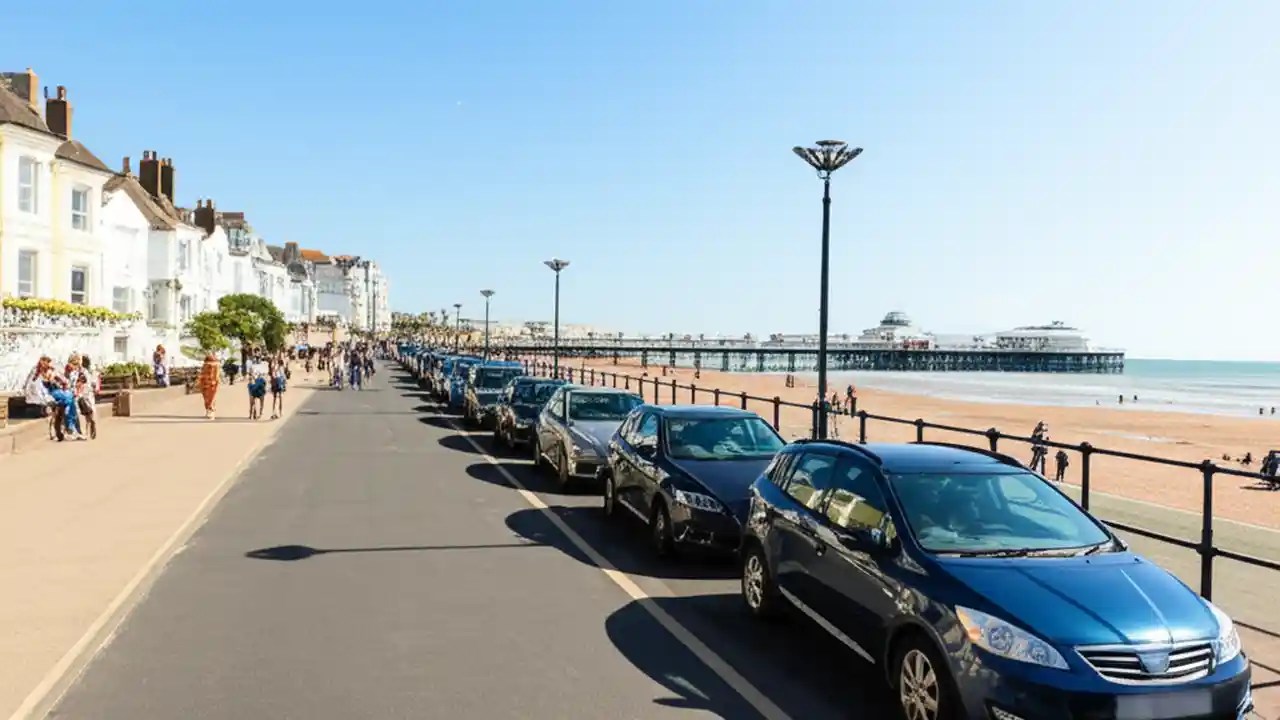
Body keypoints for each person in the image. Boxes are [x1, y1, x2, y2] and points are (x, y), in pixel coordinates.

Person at [198, 353, 221, 420]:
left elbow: (216, 376)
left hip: (212, 383)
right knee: (207, 398)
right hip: (206, 382)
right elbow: (202, 374)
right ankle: (209, 410)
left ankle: (211, 410)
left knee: (211, 397)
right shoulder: (207, 365)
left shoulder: (214, 365)